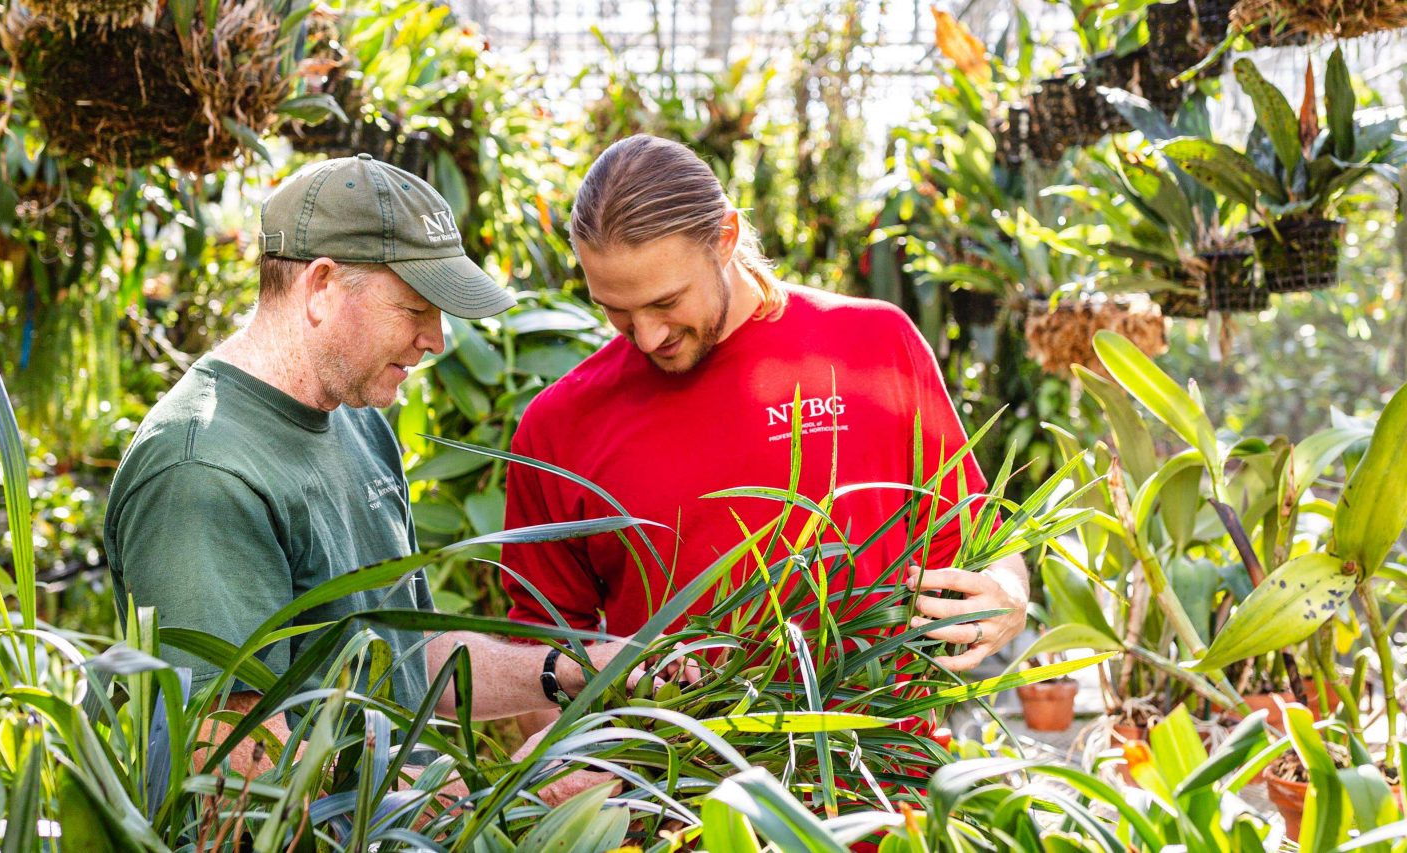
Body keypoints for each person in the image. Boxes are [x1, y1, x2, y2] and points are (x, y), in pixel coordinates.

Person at [106, 154, 632, 788]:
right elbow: (232, 766)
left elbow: (414, 653)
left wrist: (583, 667)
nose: (437, 340)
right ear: (322, 287)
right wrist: (499, 803)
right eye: (415, 310)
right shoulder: (203, 472)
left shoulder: (355, 416)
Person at [500, 135, 1030, 706]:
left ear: (725, 238)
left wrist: (1009, 592)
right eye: (617, 311)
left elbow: (973, 536)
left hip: (877, 771)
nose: (648, 336)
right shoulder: (559, 424)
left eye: (666, 302)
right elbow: (542, 658)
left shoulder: (874, 344)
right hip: (665, 783)